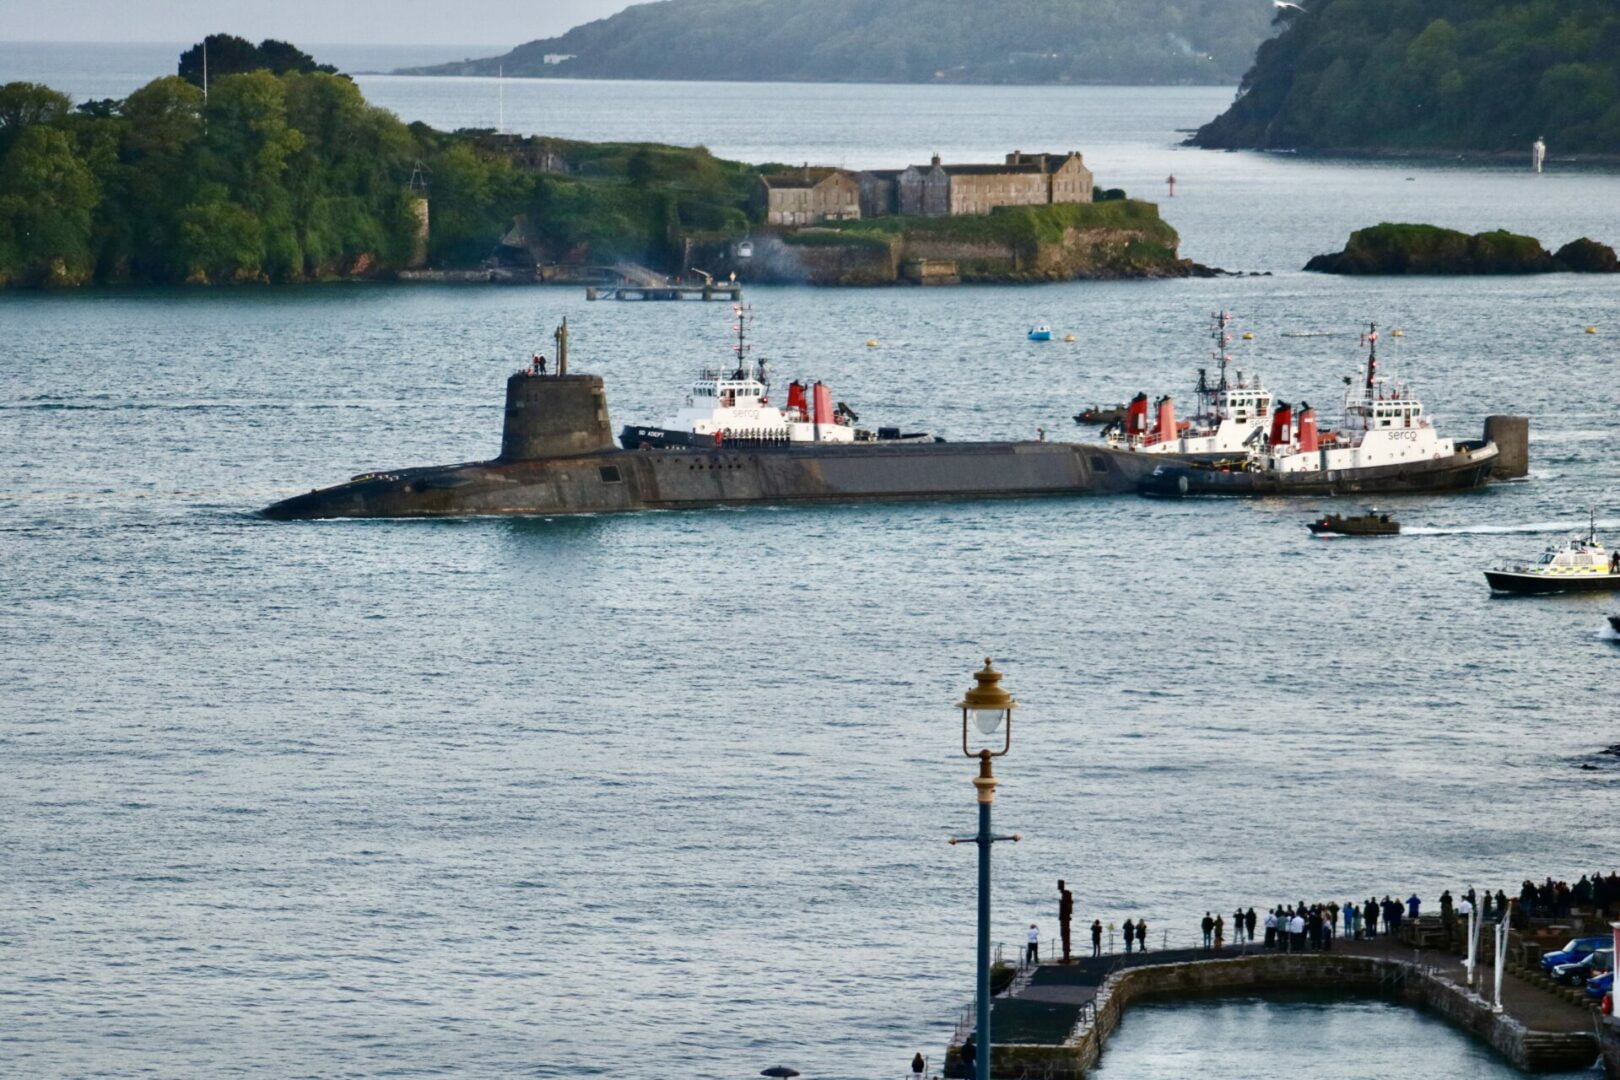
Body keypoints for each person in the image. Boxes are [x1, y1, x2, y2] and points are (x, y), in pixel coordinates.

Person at [1058, 880, 1074, 962]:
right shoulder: (1065, 895)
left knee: (1065, 936)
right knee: (1064, 936)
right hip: (1064, 919)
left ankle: (1066, 957)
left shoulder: (1066, 895)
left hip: (1065, 919)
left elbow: (1068, 908)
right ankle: (1065, 956)